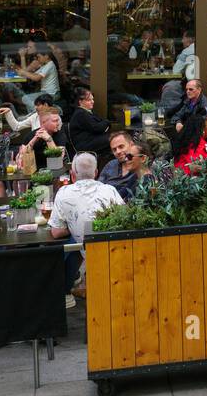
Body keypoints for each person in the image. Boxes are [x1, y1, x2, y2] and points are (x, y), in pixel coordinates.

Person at [50, 152, 124, 303]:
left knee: (71, 240)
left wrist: (74, 225)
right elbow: (123, 221)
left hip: (89, 251)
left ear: (72, 174)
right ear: (96, 173)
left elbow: (56, 232)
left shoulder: (64, 192)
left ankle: (63, 292)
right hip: (115, 253)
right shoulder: (110, 190)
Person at [99, 130, 152, 199]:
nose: (118, 152)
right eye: (114, 150)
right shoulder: (111, 165)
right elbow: (99, 186)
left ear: (131, 145)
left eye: (121, 147)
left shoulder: (140, 172)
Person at [68, 87, 112, 158]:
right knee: (113, 138)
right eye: (89, 100)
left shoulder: (87, 112)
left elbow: (100, 125)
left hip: (92, 140)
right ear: (80, 102)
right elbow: (98, 128)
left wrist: (104, 125)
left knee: (115, 138)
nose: (93, 102)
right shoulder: (80, 113)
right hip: (85, 145)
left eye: (92, 99)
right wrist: (107, 122)